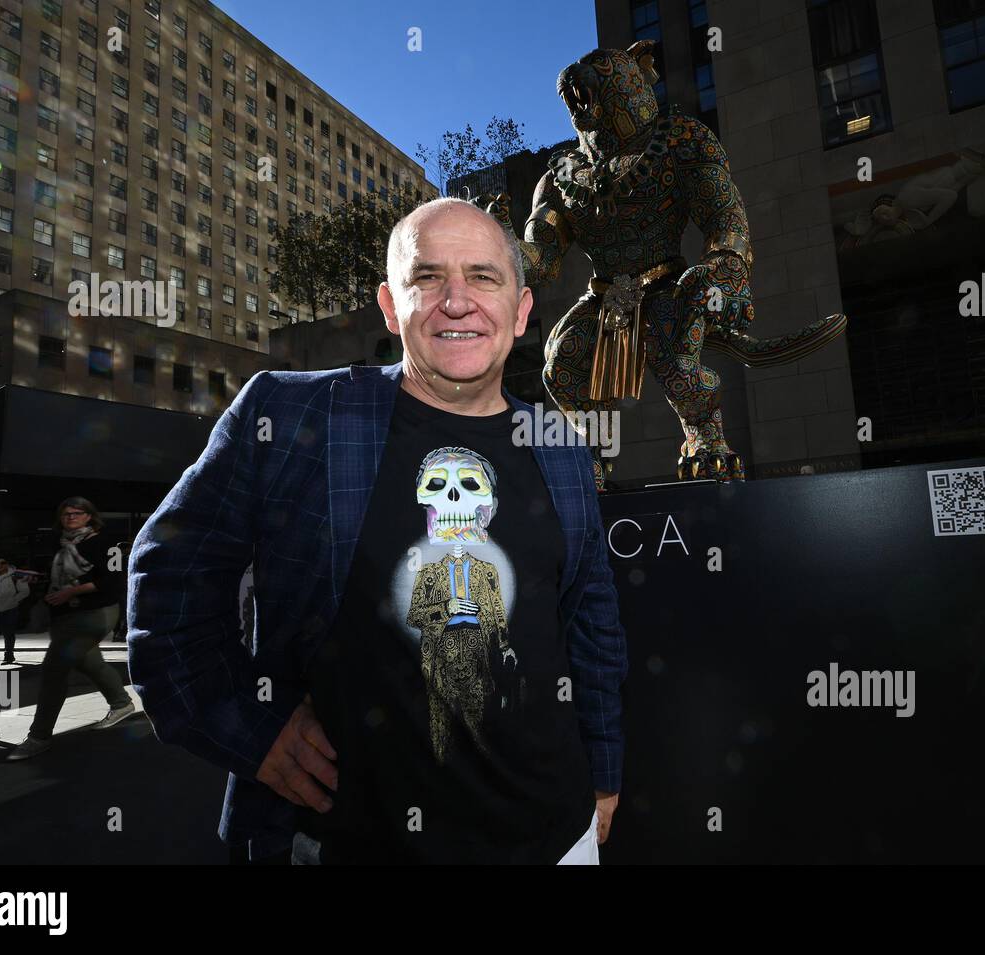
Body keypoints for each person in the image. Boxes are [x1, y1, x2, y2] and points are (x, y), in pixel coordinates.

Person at [128, 197, 628, 865]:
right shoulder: (290, 415)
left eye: (483, 276)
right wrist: (249, 730)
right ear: (391, 308)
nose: (457, 300)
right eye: (427, 277)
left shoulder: (559, 446)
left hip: (555, 837)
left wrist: (602, 772)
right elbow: (168, 584)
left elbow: (591, 619)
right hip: (344, 844)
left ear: (522, 309)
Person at [6, 498, 138, 760]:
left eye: (78, 513)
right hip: (68, 615)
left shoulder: (103, 542)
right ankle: (121, 703)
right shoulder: (63, 544)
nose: (71, 517)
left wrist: (71, 591)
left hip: (93, 614)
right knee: (90, 662)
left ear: (90, 516)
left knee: (54, 672)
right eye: (66, 514)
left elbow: (111, 582)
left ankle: (39, 736)